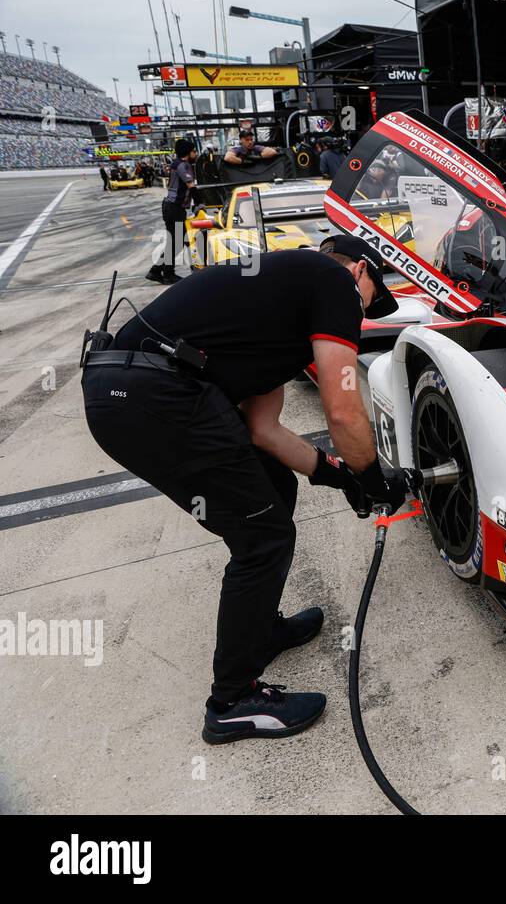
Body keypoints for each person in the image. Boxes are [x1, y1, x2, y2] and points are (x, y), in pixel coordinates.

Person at [81, 237, 410, 744]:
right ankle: (232, 701)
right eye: (370, 301)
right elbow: (343, 409)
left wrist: (341, 477)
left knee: (273, 486)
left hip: (127, 390)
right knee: (263, 537)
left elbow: (264, 431)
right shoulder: (334, 284)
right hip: (151, 393)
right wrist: (371, 477)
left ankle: (260, 631)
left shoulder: (273, 312)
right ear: (361, 271)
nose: (361, 316)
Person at [148, 139, 198, 285]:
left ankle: (158, 271)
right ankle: (165, 273)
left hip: (173, 208)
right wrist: (200, 203)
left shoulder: (178, 164)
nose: (195, 153)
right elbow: (191, 186)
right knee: (177, 243)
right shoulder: (183, 165)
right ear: (188, 153)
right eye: (194, 151)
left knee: (176, 242)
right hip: (174, 208)